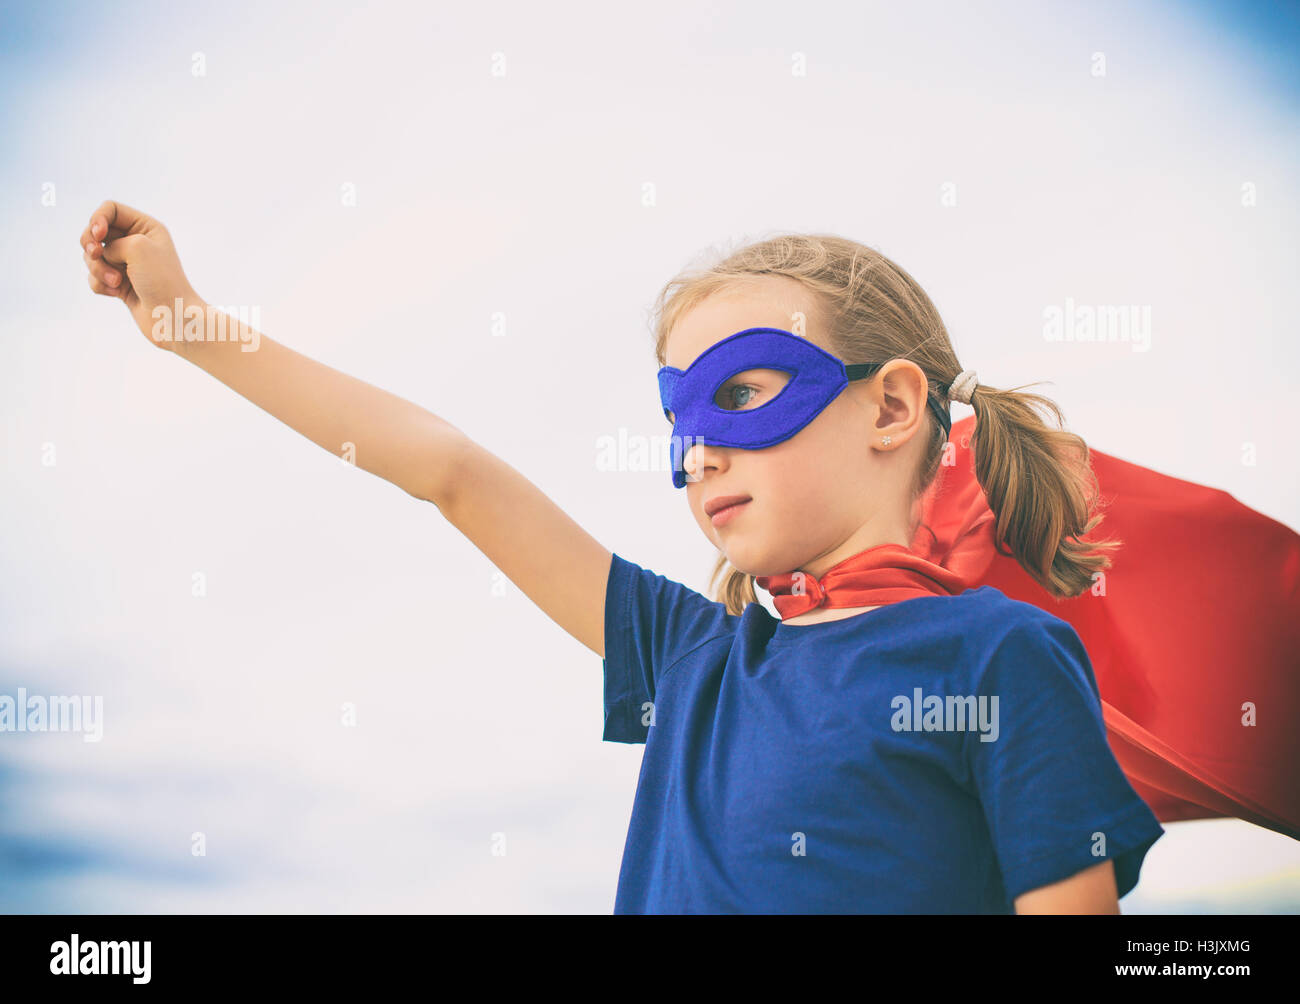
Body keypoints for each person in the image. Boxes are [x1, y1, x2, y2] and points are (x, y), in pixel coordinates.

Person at [80, 205, 1167, 913]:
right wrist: (189, 323)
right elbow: (447, 468)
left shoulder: (998, 658)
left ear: (889, 405)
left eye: (741, 393)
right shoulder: (691, 657)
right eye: (682, 421)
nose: (703, 452)